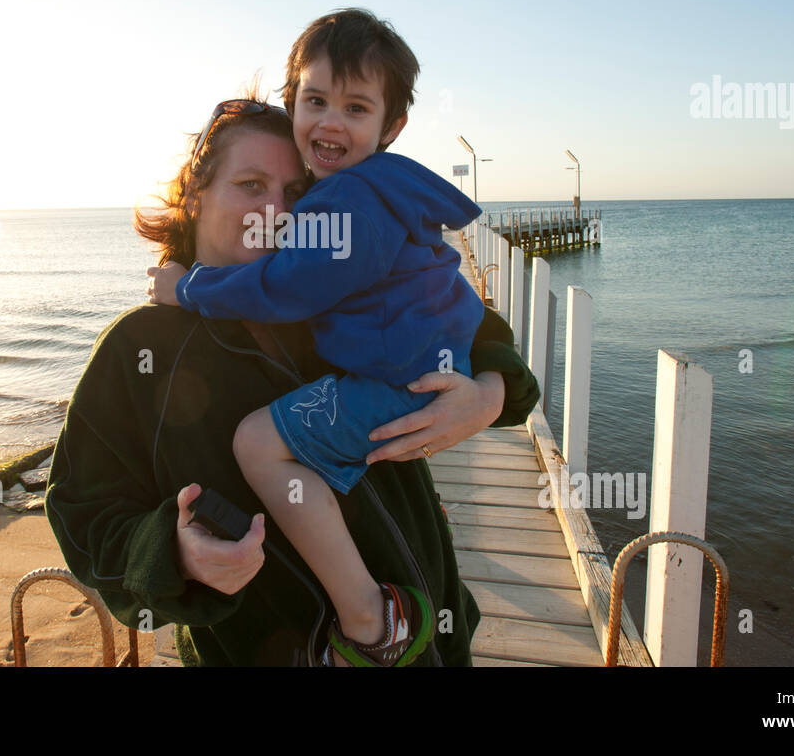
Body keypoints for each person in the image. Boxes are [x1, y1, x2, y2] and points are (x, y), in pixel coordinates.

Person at [46, 89, 540, 667]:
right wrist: (174, 554)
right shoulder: (140, 349)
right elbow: (83, 513)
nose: (276, 214)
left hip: (430, 635)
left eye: (295, 193)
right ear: (195, 195)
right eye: (251, 186)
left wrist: (487, 394)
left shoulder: (340, 289)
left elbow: (483, 336)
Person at [147, 9, 486, 666]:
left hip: (403, 385)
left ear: (391, 127)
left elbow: (285, 287)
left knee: (259, 444)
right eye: (315, 101)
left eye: (355, 108)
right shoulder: (385, 188)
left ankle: (367, 620)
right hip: (425, 372)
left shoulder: (350, 200)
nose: (331, 122)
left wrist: (188, 288)